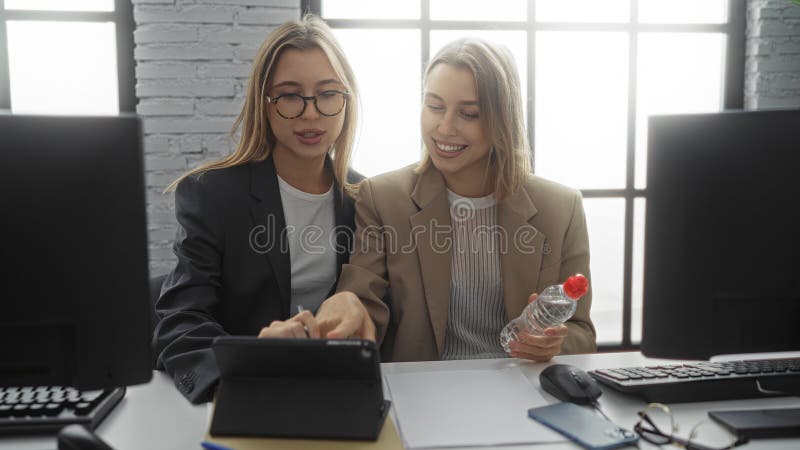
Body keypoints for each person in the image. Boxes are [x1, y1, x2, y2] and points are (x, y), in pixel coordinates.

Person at [154, 15, 374, 404]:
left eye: (327, 93)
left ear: (347, 100)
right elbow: (180, 323)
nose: (310, 113)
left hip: (334, 391)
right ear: (264, 103)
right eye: (290, 96)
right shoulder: (211, 194)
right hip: (246, 391)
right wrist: (249, 358)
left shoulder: (367, 199)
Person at [334, 38, 597, 362]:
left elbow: (582, 333)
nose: (444, 128)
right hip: (423, 386)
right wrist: (342, 316)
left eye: (468, 114)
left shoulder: (562, 208)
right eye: (434, 106)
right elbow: (360, 304)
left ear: (502, 121)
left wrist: (554, 344)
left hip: (521, 385)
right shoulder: (383, 199)